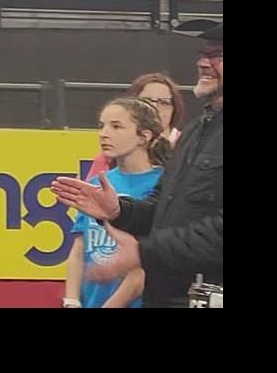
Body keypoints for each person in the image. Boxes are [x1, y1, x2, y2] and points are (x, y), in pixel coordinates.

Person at [53, 19, 222, 308]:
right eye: (202, 54)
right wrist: (119, 210)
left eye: (216, 55)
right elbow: (162, 207)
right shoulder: (197, 130)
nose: (203, 63)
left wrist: (144, 251)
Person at [63, 98, 170, 308]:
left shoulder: (162, 186)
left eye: (116, 126)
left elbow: (144, 265)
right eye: (101, 126)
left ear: (144, 136)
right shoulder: (98, 182)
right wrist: (72, 300)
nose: (104, 133)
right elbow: (79, 247)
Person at [86, 72, 186, 179]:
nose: (154, 106)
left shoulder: (189, 147)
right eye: (146, 101)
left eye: (164, 102)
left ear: (175, 108)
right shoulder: (107, 157)